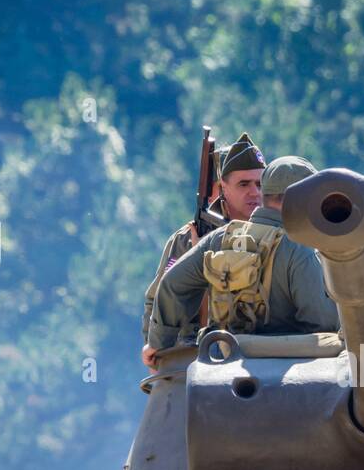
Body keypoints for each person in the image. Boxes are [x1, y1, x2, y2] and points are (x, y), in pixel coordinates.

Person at [142, 156, 338, 367]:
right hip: (279, 375)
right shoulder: (301, 251)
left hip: (218, 364)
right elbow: (322, 326)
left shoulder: (220, 238)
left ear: (264, 194)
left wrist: (157, 343)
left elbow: (173, 285)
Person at [141, 132, 266, 343]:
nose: (254, 192)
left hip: (252, 348)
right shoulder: (187, 239)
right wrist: (155, 348)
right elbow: (159, 298)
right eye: (244, 184)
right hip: (191, 349)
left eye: (260, 184)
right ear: (222, 188)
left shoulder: (273, 234)